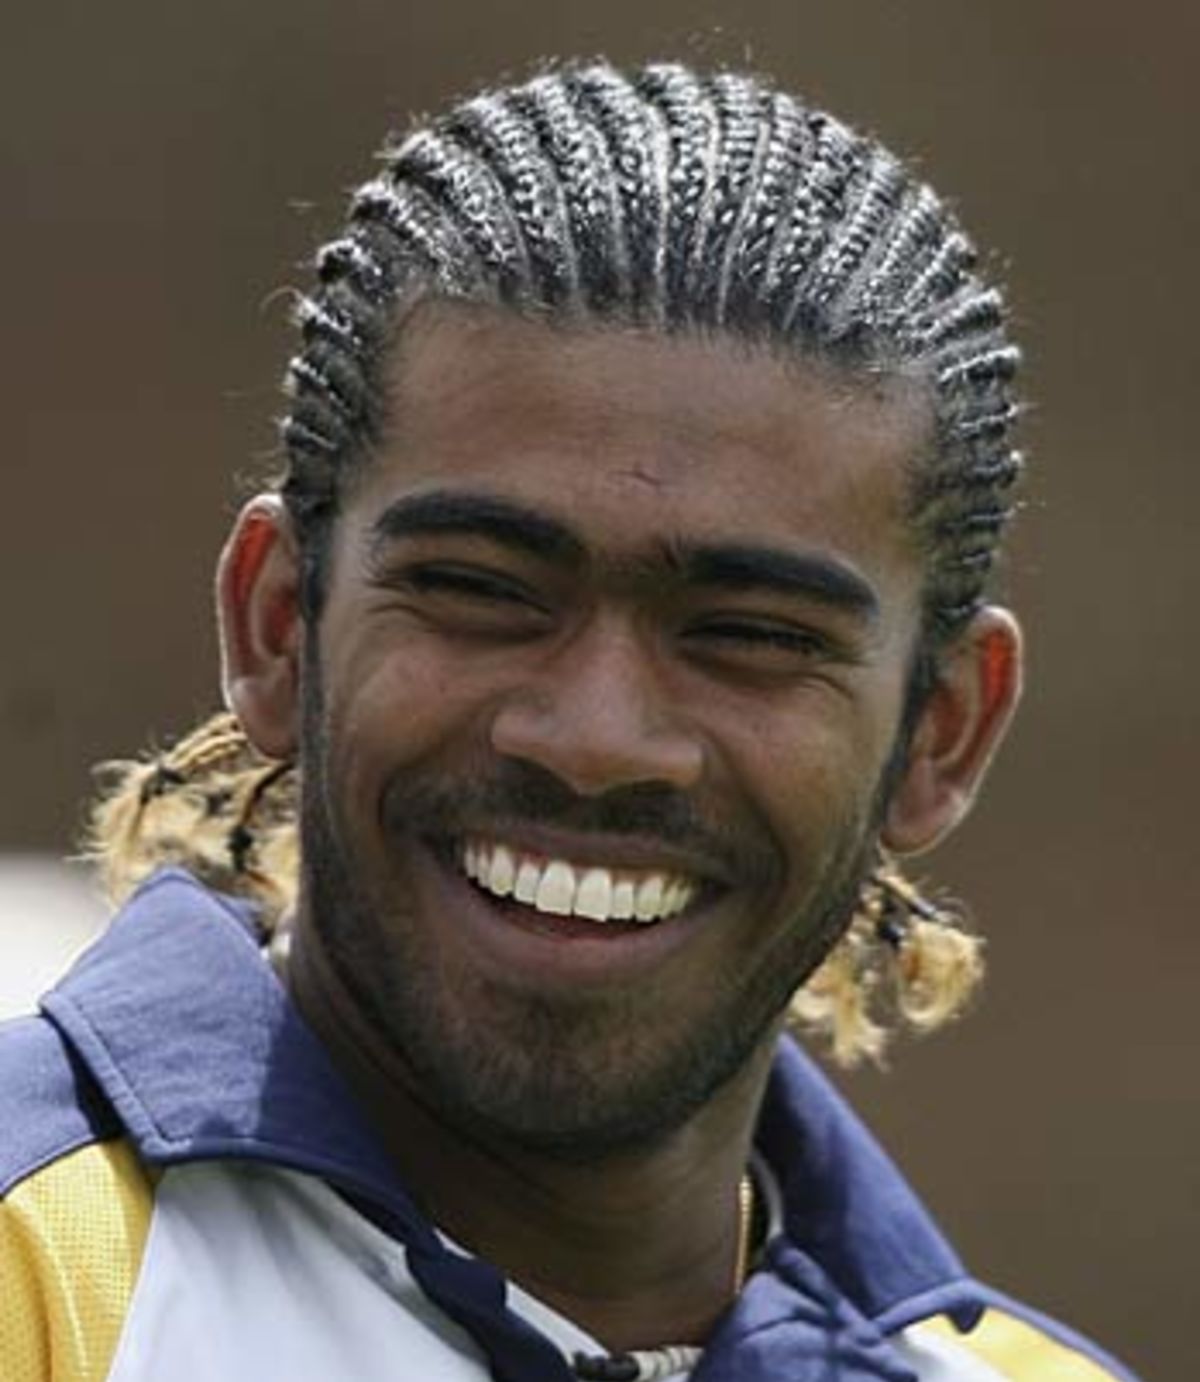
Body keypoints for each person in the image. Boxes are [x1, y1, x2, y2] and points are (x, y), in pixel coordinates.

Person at [0, 60, 1137, 1382]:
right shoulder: (41, 1275)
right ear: (278, 627)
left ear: (940, 733)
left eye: (753, 635)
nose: (596, 739)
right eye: (482, 590)